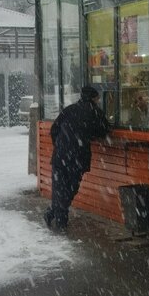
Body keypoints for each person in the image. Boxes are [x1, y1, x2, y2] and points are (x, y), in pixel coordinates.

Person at [44, 85, 109, 232]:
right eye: (97, 98)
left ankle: (55, 215)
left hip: (60, 156)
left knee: (60, 188)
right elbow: (103, 131)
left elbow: (54, 129)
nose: (98, 100)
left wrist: (60, 146)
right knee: (70, 189)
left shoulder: (69, 109)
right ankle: (59, 221)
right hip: (78, 158)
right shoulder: (95, 112)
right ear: (94, 98)